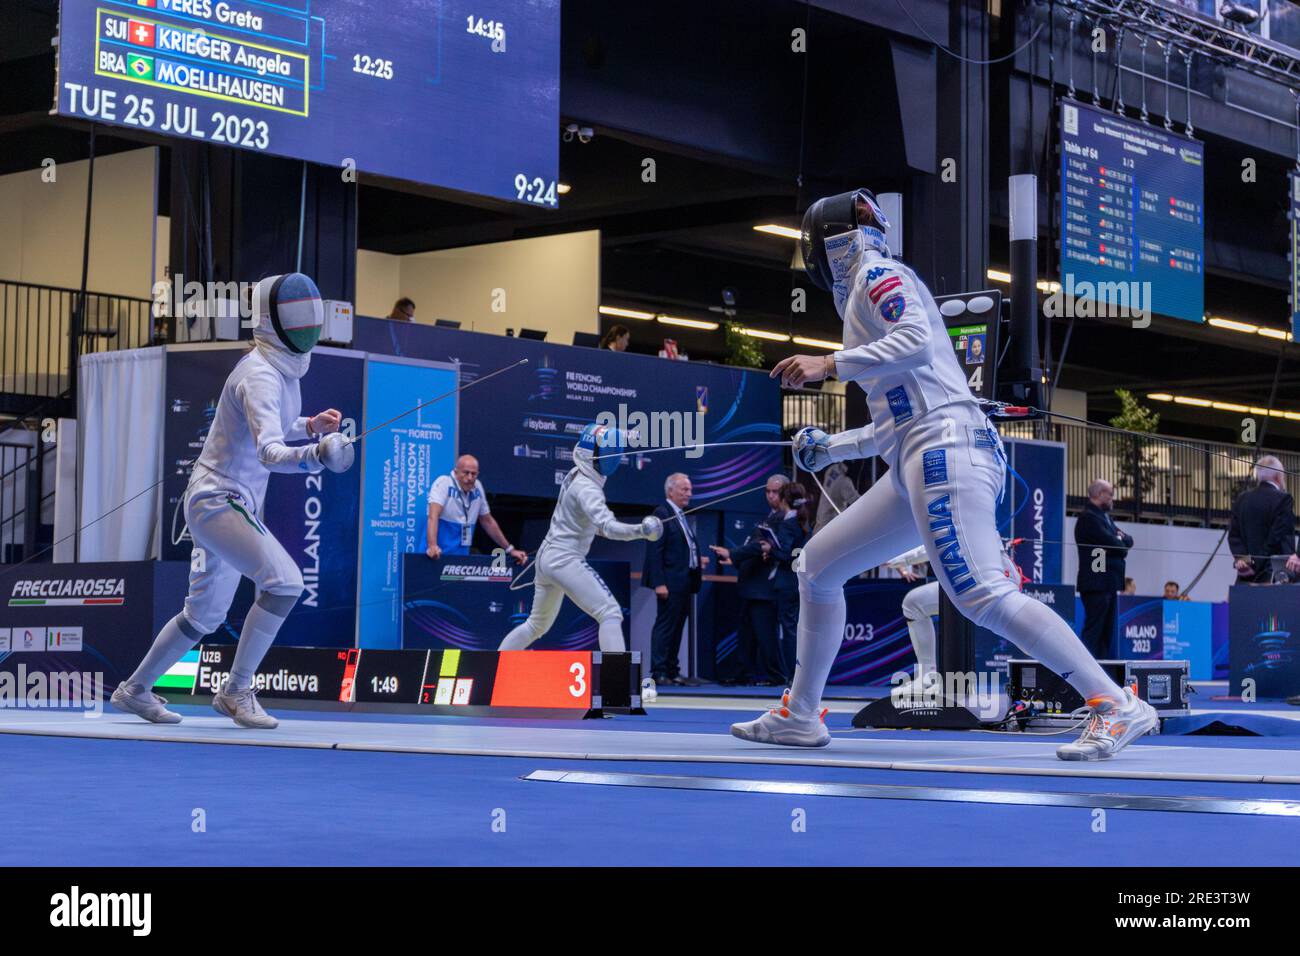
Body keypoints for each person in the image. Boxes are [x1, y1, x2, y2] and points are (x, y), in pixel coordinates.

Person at [731, 187, 1155, 760]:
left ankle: (1114, 704)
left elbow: (915, 343)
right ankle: (801, 716)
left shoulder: (879, 276)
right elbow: (901, 417)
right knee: (818, 567)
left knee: (982, 594)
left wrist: (828, 364)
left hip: (945, 451)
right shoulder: (868, 290)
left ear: (826, 245)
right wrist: (832, 447)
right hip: (920, 453)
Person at [112, 273, 355, 729]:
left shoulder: (276, 369)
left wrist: (310, 426)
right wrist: (316, 456)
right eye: (296, 316)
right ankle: (236, 689)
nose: (306, 326)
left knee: (203, 613)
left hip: (218, 502)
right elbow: (271, 453)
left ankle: (134, 690)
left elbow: (276, 425)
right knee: (284, 582)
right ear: (272, 320)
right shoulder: (260, 376)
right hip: (219, 501)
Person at [499, 424, 662, 652]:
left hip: (548, 557)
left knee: (536, 625)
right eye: (611, 453)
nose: (615, 457)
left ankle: (496, 670)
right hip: (564, 559)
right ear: (596, 455)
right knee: (610, 613)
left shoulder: (576, 472)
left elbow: (596, 526)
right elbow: (609, 527)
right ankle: (616, 687)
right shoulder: (588, 489)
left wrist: (632, 435)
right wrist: (641, 531)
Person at [710, 474, 789, 685]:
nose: (771, 496)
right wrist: (736, 559)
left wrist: (732, 553)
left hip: (765, 588)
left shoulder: (783, 518)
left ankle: (776, 675)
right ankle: (744, 672)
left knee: (765, 635)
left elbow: (758, 547)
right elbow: (755, 548)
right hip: (752, 586)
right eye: (768, 491)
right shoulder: (768, 518)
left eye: (776, 492)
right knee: (747, 635)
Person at [643, 473, 709, 685]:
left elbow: (680, 547)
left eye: (689, 489)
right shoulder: (662, 513)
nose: (689, 493)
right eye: (684, 489)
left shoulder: (680, 515)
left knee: (678, 627)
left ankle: (672, 670)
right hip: (669, 583)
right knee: (665, 627)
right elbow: (655, 551)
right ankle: (659, 671)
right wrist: (659, 583)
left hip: (684, 581)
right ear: (671, 490)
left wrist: (696, 559)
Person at [425, 455, 526, 564]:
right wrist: (432, 545)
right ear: (456, 472)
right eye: (466, 473)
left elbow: (487, 521)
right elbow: (433, 516)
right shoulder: (443, 483)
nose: (469, 478)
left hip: (461, 557)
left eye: (474, 474)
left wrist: (510, 550)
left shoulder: (477, 486)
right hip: (437, 555)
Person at [1075, 479, 1133, 658]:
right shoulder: (1089, 518)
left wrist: (1119, 542)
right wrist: (1118, 543)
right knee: (1094, 631)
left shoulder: (1105, 518)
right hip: (1096, 583)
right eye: (1110, 494)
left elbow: (1128, 540)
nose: (1112, 499)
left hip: (1109, 584)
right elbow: (1117, 546)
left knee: (1107, 634)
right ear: (1099, 494)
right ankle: (1085, 671)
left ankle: (1104, 673)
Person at [1229, 456, 1300, 583]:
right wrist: (1256, 564)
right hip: (1273, 575)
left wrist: (1246, 562)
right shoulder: (1283, 499)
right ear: (1278, 476)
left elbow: (1234, 536)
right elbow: (1277, 536)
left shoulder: (1242, 499)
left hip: (1245, 576)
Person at [772, 481, 812, 680]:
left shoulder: (789, 523)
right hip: (799, 582)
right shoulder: (804, 521)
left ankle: (791, 674)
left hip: (787, 582)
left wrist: (769, 549)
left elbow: (785, 553)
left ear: (783, 500)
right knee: (796, 628)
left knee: (788, 630)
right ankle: (798, 673)